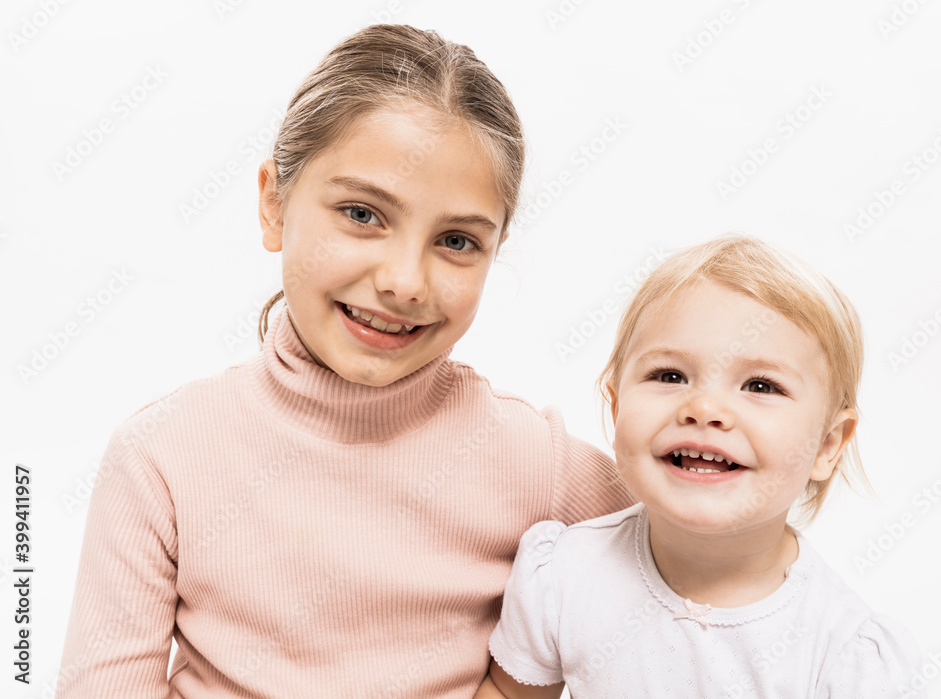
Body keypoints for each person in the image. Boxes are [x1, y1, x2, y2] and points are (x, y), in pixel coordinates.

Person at [55, 24, 633, 698]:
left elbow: (694, 582)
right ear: (274, 202)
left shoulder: (540, 464)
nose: (405, 281)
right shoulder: (161, 455)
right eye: (362, 213)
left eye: (455, 240)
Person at [478, 235, 926, 698]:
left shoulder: (840, 651)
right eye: (669, 376)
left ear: (826, 445)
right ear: (616, 409)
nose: (705, 407)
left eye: (760, 385)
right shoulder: (564, 574)